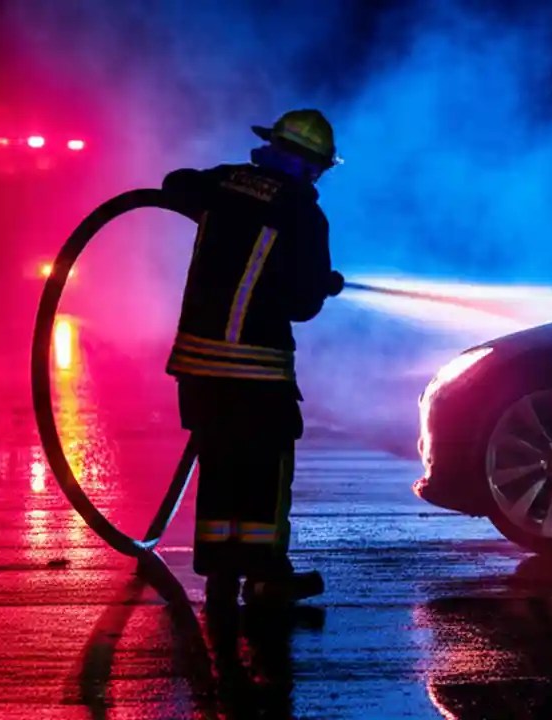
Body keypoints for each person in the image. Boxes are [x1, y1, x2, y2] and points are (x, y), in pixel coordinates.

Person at [161, 109, 344, 605]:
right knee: (264, 473)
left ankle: (221, 573)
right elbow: (302, 305)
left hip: (197, 366)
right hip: (257, 369)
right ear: (311, 166)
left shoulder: (220, 184)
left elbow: (173, 184)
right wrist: (322, 287)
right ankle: (265, 576)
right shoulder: (305, 214)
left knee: (219, 463)